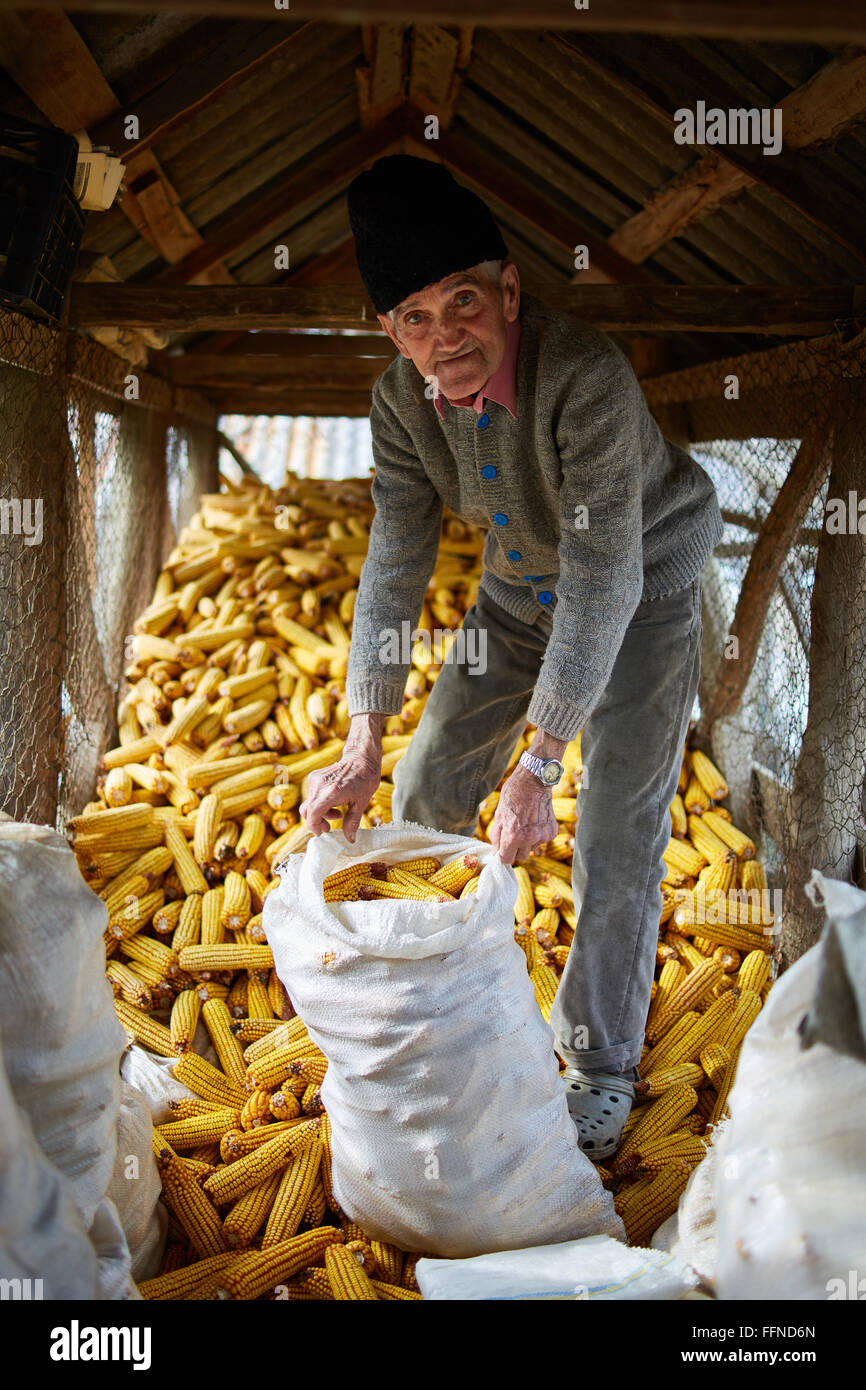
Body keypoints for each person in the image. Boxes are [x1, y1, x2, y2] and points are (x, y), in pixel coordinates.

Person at [300, 154, 723, 1158]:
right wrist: (361, 735)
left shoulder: (583, 381)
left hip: (643, 582)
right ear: (388, 333)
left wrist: (540, 762)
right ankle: (416, 999)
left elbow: (603, 579)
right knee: (423, 775)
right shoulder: (400, 402)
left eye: (462, 302)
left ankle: (601, 1064)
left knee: (615, 829)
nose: (445, 337)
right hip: (515, 584)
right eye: (414, 317)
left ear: (507, 291)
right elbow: (395, 556)